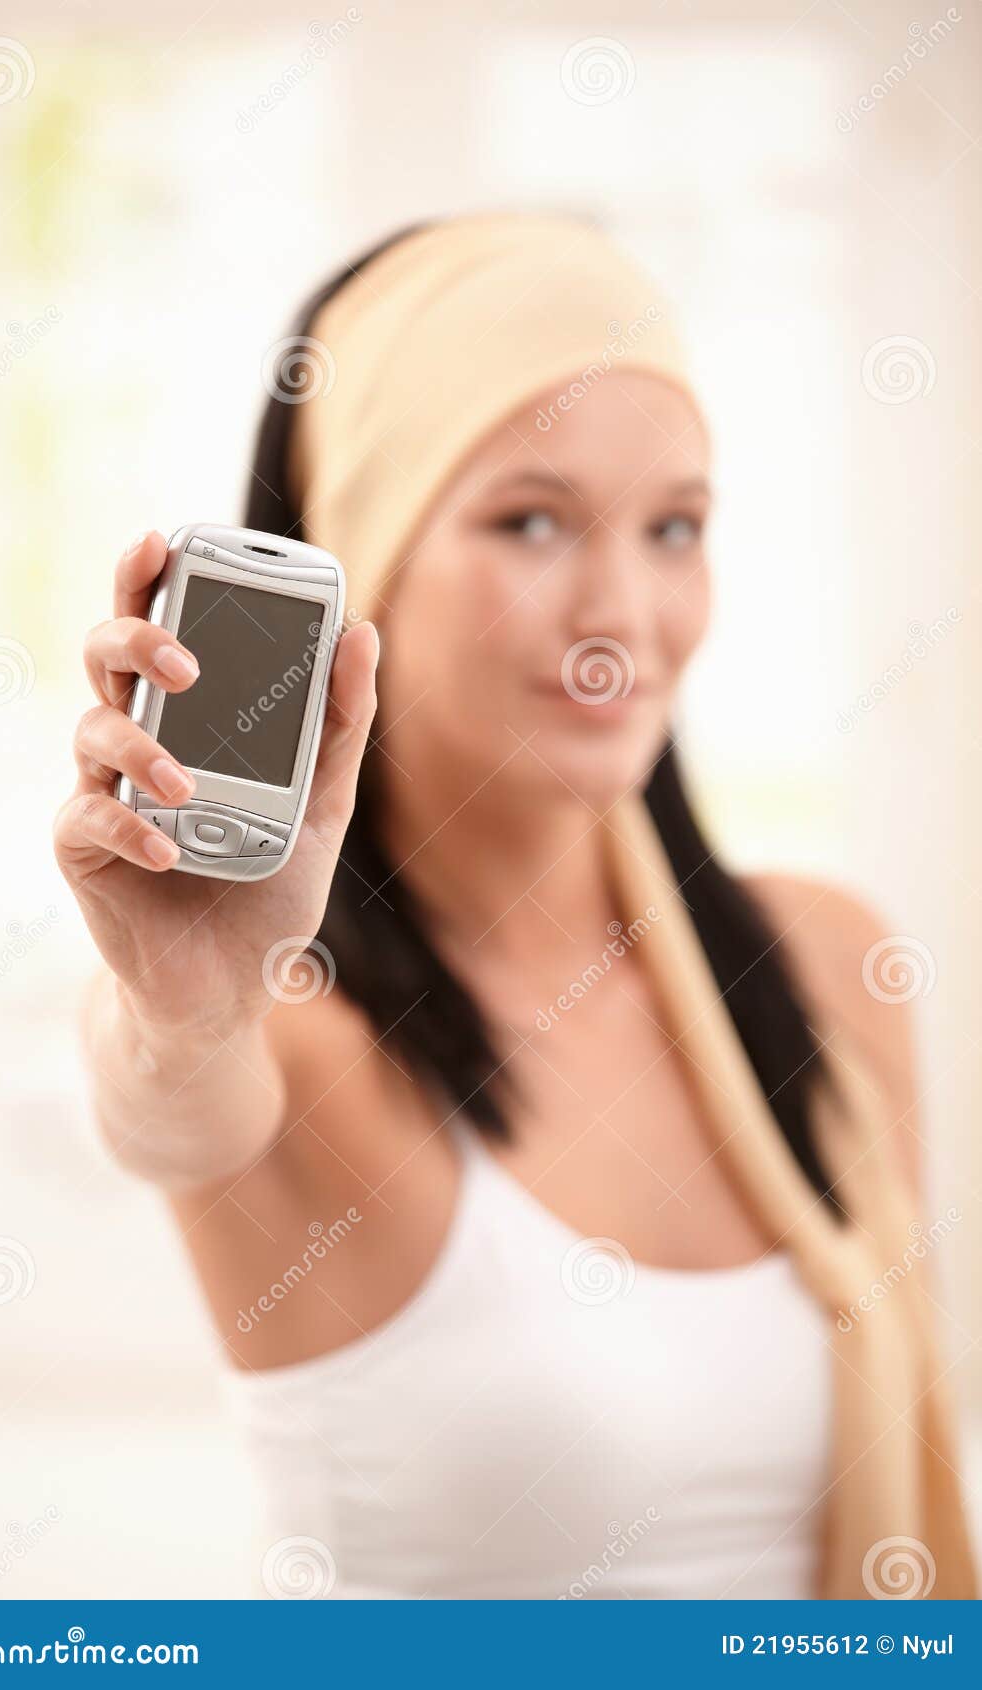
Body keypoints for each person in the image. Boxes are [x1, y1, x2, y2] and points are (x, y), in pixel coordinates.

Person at [56, 212, 976, 1600]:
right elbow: (169, 1105)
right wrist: (183, 1013)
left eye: (675, 528)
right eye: (531, 520)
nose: (622, 611)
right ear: (359, 564)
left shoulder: (830, 964)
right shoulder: (280, 1022)